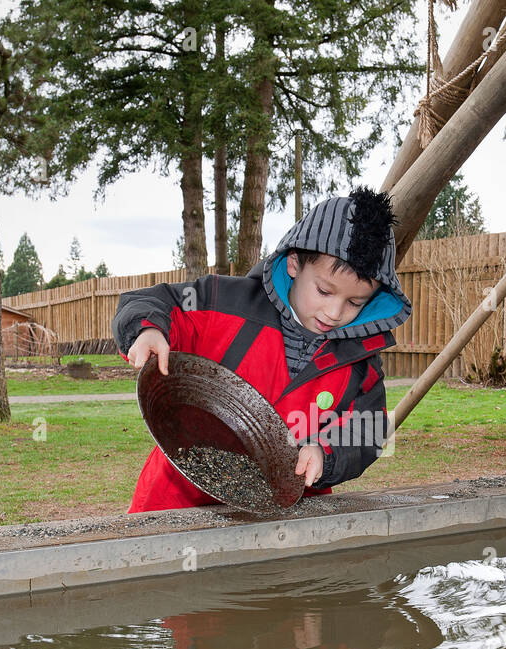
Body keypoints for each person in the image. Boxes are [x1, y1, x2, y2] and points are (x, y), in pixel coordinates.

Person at [111, 186, 413, 513]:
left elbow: (368, 427)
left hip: (284, 512)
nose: (334, 313)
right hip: (176, 501)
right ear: (295, 263)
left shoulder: (360, 361)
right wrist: (148, 329)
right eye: (324, 291)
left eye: (355, 302)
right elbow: (151, 301)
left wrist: (326, 453)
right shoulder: (224, 303)